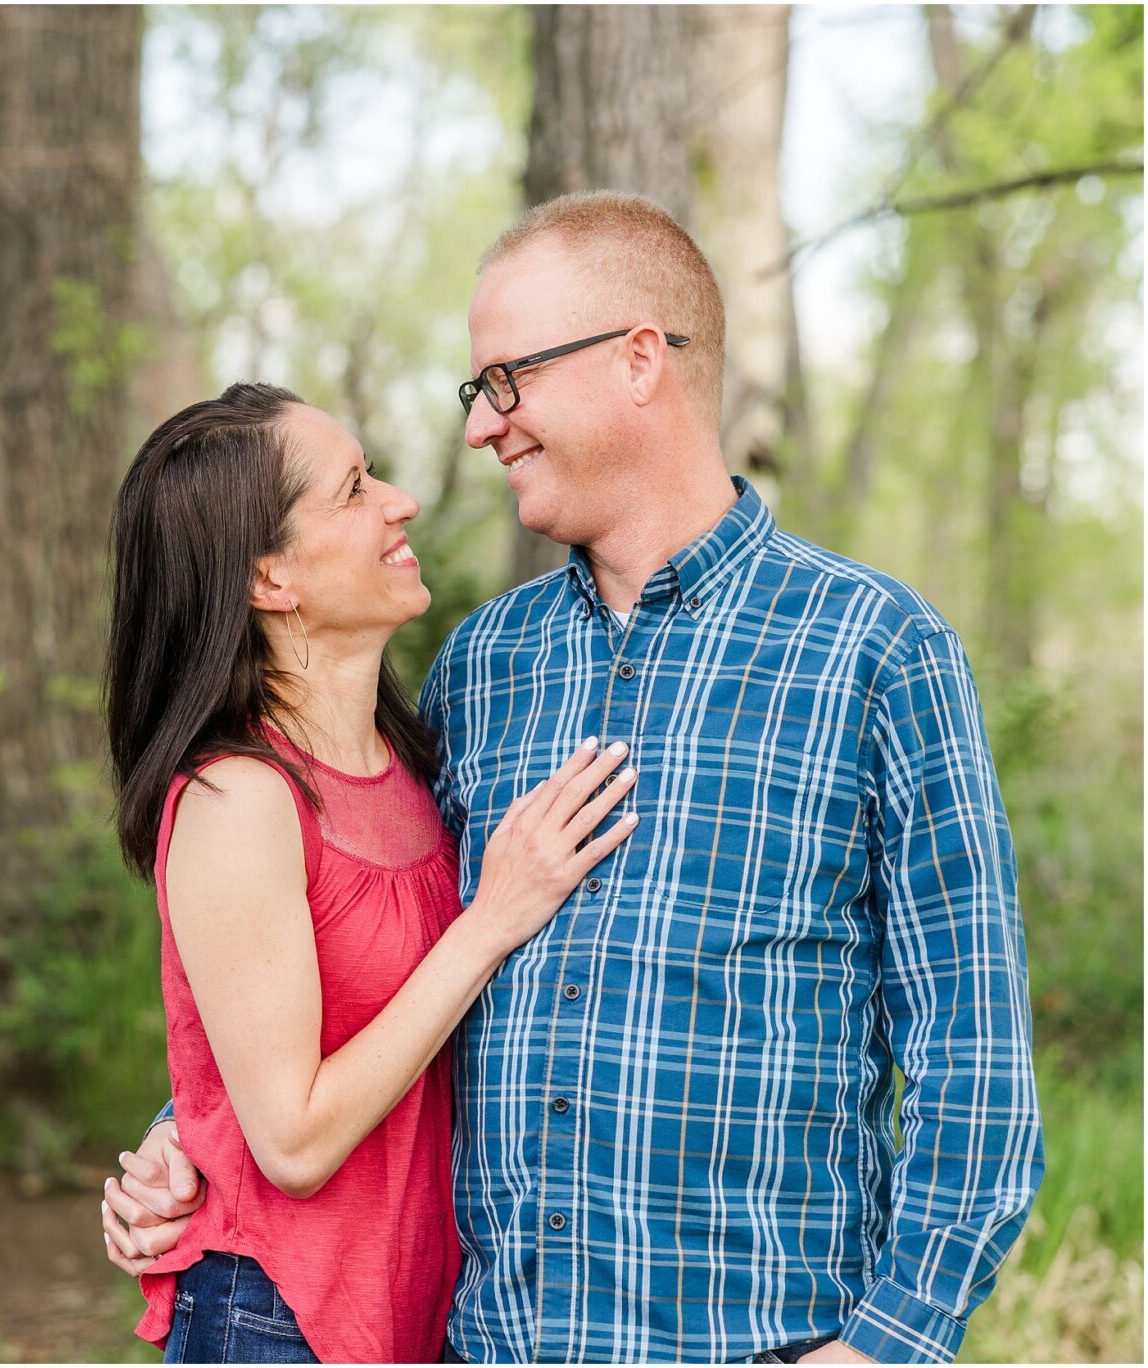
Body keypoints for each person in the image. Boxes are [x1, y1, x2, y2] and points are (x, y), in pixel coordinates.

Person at [102, 192, 1044, 1365]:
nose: (479, 428)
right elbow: (369, 961)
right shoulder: (483, 669)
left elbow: (976, 1071)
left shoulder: (872, 652)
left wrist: (884, 1347)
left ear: (637, 361)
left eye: (505, 380)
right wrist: (186, 1136)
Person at [103, 383, 638, 1363]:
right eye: (352, 490)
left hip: (426, 1313)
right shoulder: (237, 799)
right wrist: (492, 917)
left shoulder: (418, 760)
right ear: (269, 577)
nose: (399, 502)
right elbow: (293, 1142)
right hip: (282, 1320)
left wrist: (176, 1130)